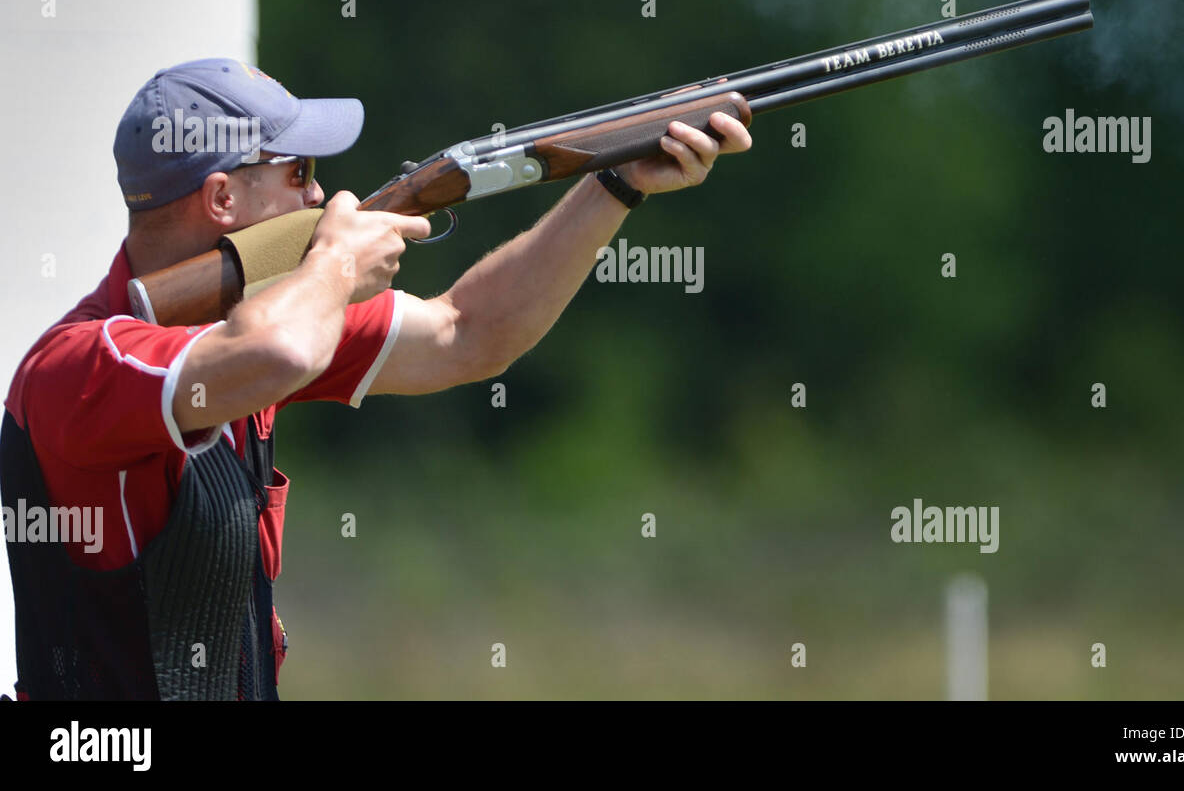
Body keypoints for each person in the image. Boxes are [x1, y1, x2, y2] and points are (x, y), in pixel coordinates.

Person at [0, 58, 751, 700]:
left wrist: (612, 182)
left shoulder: (254, 323)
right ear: (224, 200)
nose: (322, 201)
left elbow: (471, 332)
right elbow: (280, 353)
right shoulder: (82, 365)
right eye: (299, 174)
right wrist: (336, 264)